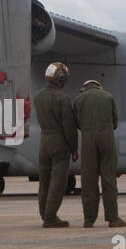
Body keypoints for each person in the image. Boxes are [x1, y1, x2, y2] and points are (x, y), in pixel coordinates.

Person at [73, 79, 125, 228]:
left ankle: (89, 219)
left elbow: (77, 123)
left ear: (84, 88)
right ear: (99, 87)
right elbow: (115, 121)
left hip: (88, 138)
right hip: (107, 136)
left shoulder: (78, 100)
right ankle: (113, 218)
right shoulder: (108, 97)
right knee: (109, 178)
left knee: (88, 179)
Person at [32, 61, 77, 228]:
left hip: (44, 142)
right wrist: (73, 148)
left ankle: (44, 213)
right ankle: (51, 217)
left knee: (44, 181)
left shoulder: (38, 97)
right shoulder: (62, 99)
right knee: (58, 182)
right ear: (61, 79)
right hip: (59, 142)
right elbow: (69, 127)